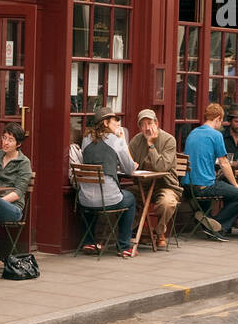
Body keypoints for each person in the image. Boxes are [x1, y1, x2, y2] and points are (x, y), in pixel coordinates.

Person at [183, 102, 238, 240]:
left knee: (220, 184)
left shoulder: (193, 132)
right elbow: (224, 163)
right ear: (217, 118)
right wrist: (236, 185)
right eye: (220, 121)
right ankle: (218, 226)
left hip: (188, 186)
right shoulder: (216, 135)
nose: (220, 124)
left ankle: (206, 219)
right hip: (205, 186)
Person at [76, 107, 138, 257]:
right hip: (108, 198)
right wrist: (123, 141)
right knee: (130, 199)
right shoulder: (116, 140)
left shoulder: (85, 139)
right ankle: (123, 246)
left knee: (93, 197)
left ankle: (89, 241)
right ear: (105, 122)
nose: (118, 123)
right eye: (114, 120)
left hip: (84, 199)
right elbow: (129, 169)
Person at [127, 109, 180, 250]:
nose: (147, 128)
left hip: (166, 185)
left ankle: (159, 232)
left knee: (167, 203)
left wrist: (151, 145)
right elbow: (127, 162)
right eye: (143, 125)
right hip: (142, 186)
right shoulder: (136, 141)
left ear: (156, 123)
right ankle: (131, 232)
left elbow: (161, 167)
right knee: (124, 197)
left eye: (150, 123)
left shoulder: (168, 140)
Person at [0, 123, 31, 248]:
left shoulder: (24, 162)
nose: (5, 142)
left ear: (18, 144)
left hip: (13, 208)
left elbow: (18, 193)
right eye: (4, 138)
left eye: (10, 140)